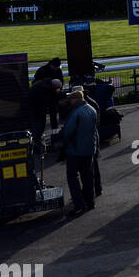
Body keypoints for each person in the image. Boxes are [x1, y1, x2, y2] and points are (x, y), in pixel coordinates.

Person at [61, 87, 98, 216]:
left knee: (72, 177)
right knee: (88, 176)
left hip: (75, 150)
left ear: (76, 99)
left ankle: (79, 204)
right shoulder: (92, 109)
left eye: (71, 98)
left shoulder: (76, 112)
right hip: (89, 149)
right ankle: (90, 202)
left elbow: (68, 132)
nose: (69, 101)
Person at [33, 57, 65, 127]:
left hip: (53, 94)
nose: (57, 69)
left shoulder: (58, 70)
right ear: (52, 65)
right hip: (43, 94)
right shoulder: (42, 70)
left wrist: (60, 88)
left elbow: (61, 81)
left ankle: (54, 127)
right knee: (43, 113)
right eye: (56, 67)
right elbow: (38, 83)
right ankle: (41, 127)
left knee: (53, 111)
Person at [29, 77, 62, 141]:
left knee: (38, 124)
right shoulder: (45, 89)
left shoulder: (44, 84)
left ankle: (37, 138)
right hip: (35, 108)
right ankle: (37, 140)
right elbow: (50, 105)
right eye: (58, 88)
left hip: (35, 106)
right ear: (54, 86)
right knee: (38, 125)